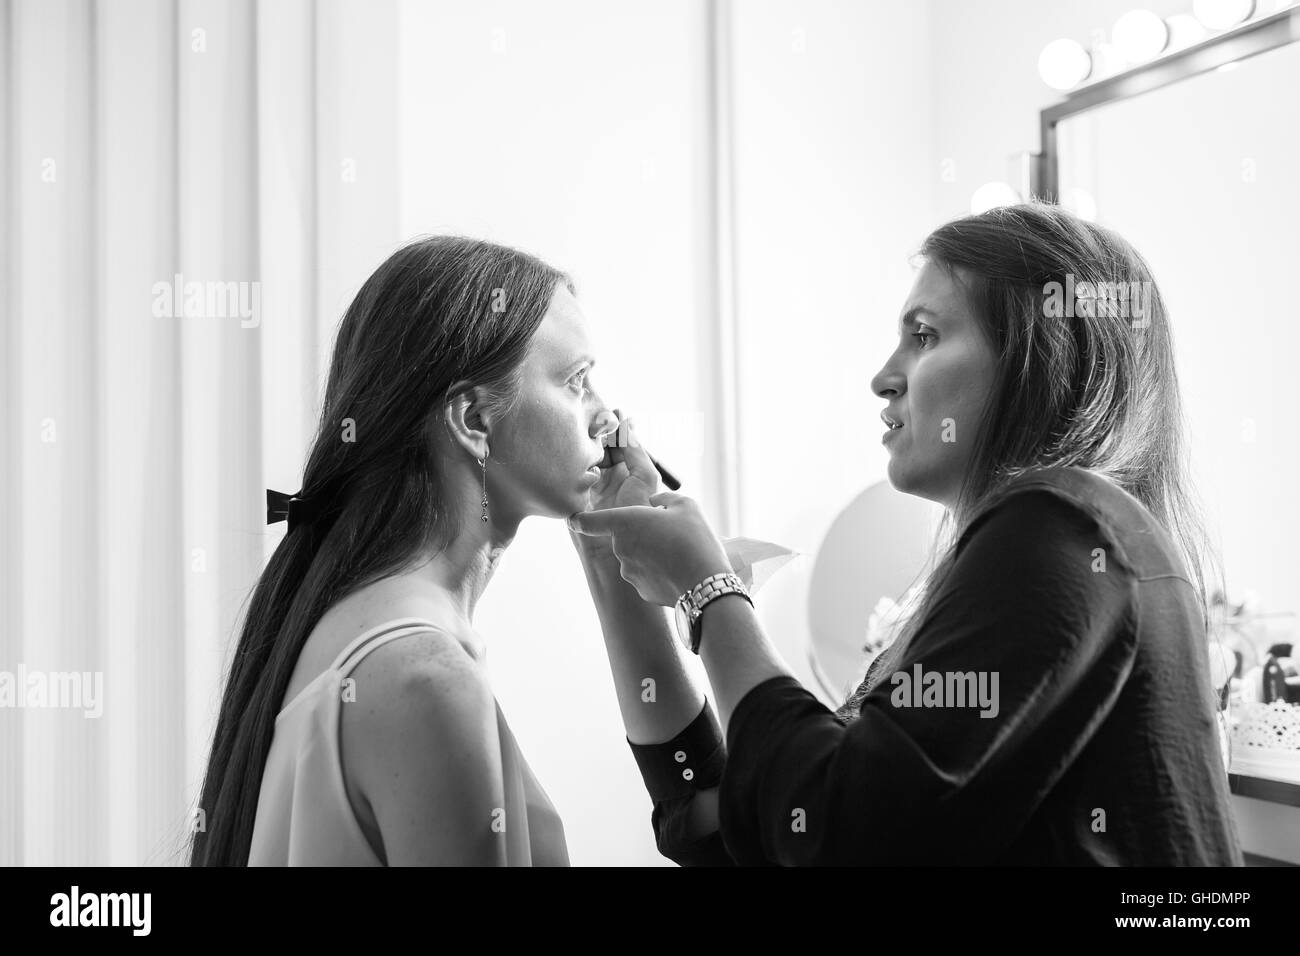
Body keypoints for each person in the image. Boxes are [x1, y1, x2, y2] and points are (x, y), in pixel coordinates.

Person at [569, 202, 1244, 866]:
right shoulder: (995, 574)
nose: (883, 378)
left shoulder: (1063, 529)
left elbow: (829, 833)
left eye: (923, 336)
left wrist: (711, 596)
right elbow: (721, 822)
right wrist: (610, 560)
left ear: (1040, 359)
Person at [191, 236, 618, 865]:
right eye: (577, 381)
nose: (606, 417)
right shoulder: (427, 679)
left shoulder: (359, 632)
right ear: (473, 420)